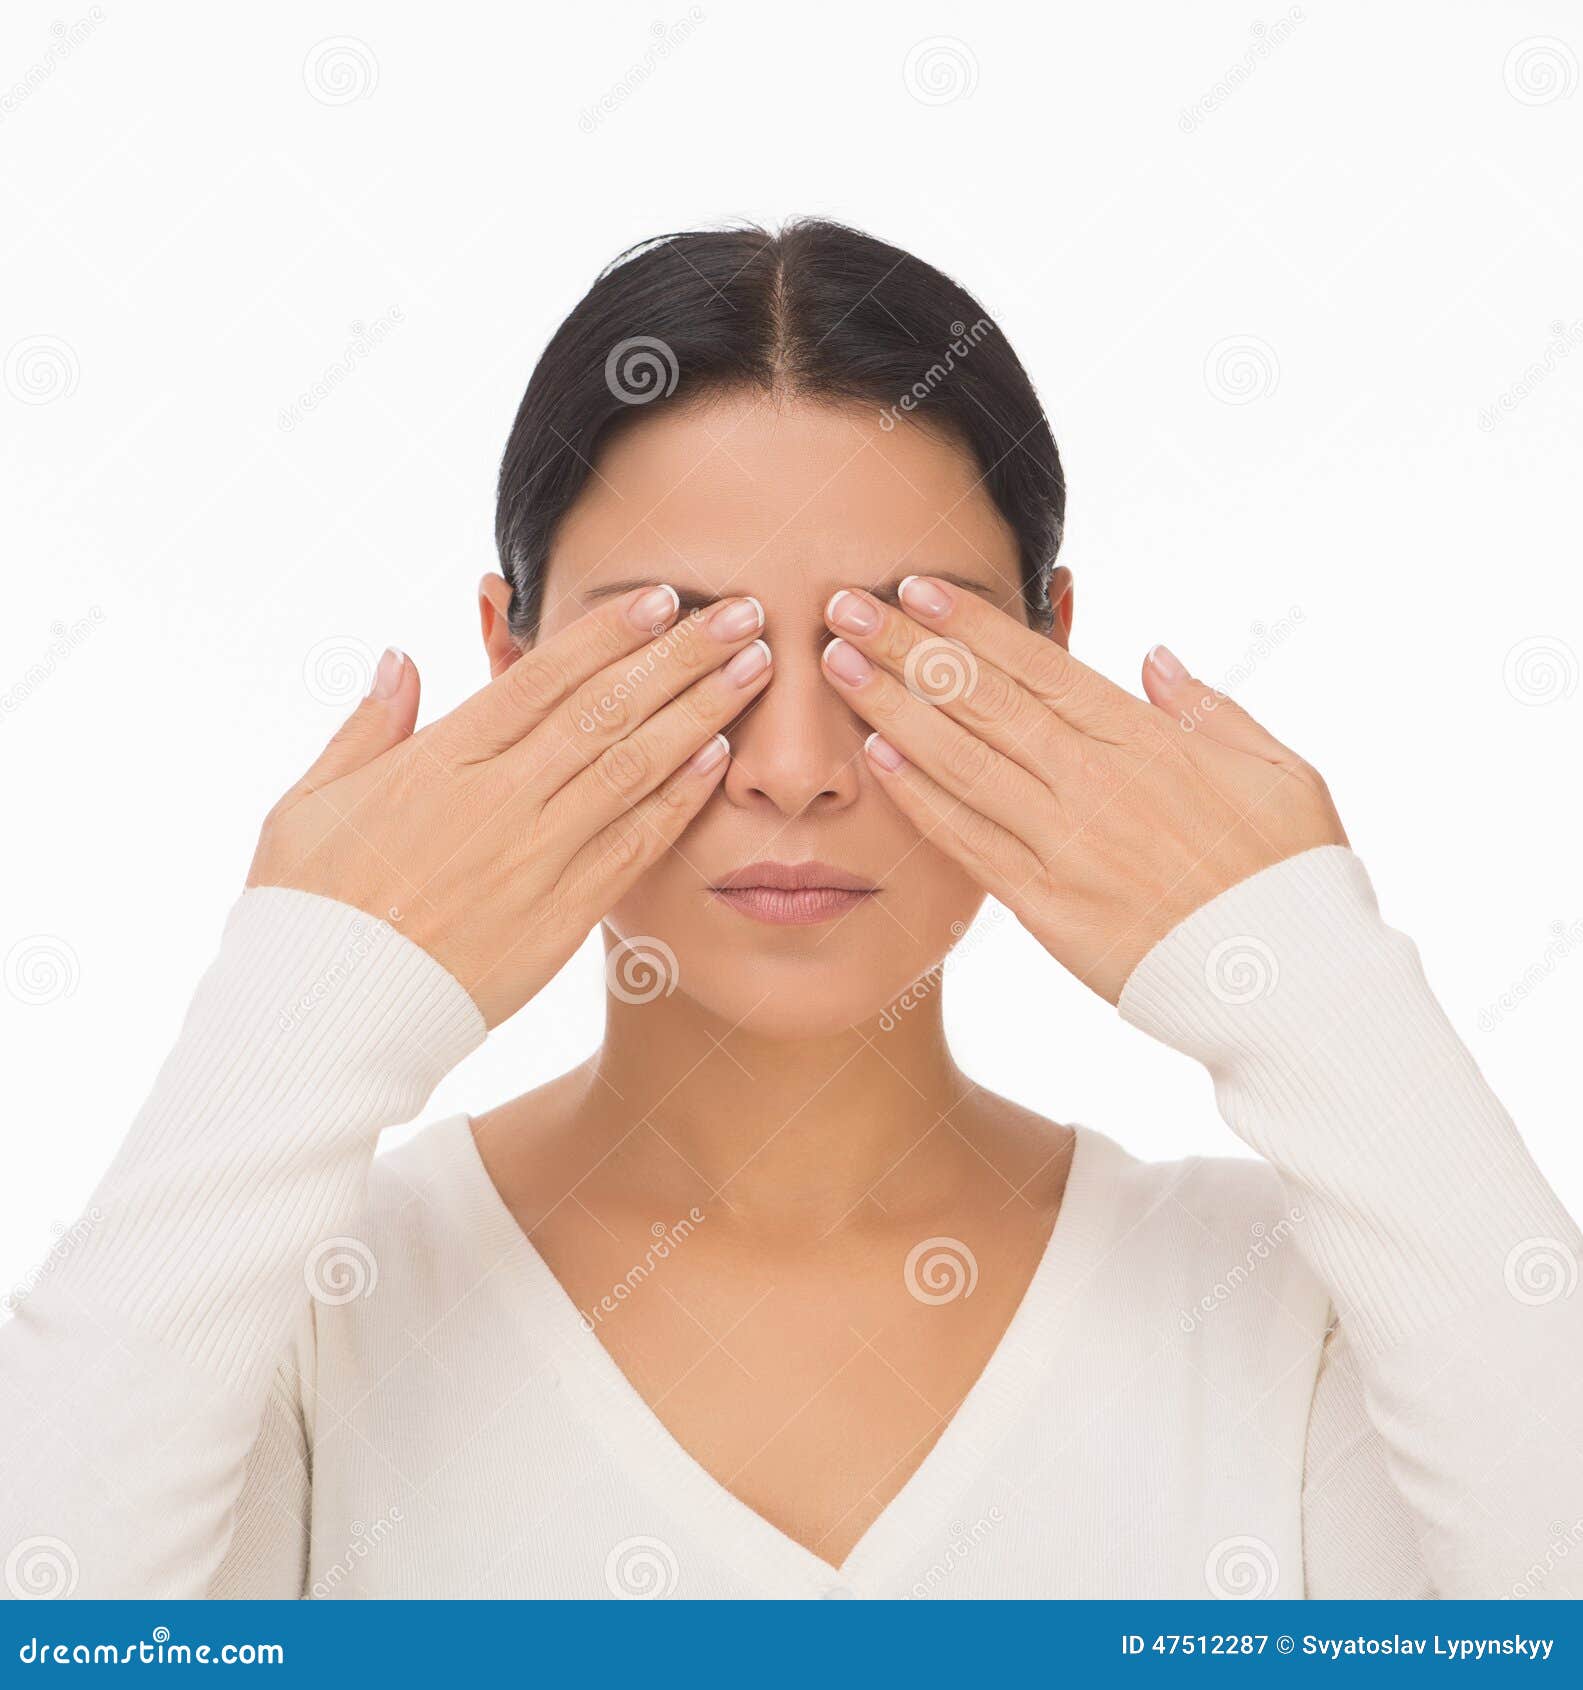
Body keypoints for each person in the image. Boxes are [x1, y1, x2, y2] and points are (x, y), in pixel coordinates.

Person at [3, 221, 1579, 1601]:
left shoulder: (1292, 1310)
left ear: (1054, 648)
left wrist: (1302, 969)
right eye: (683, 648)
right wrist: (309, 993)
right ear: (510, 654)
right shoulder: (294, 1322)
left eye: (897, 641)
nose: (800, 770)